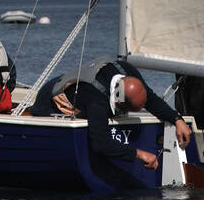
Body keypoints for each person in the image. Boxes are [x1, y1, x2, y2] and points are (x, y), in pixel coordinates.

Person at [29, 56, 192, 174]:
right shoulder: (96, 100)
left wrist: (176, 119)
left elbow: (151, 99)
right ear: (120, 103)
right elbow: (100, 143)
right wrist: (138, 153)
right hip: (50, 100)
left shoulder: (128, 72)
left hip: (77, 84)